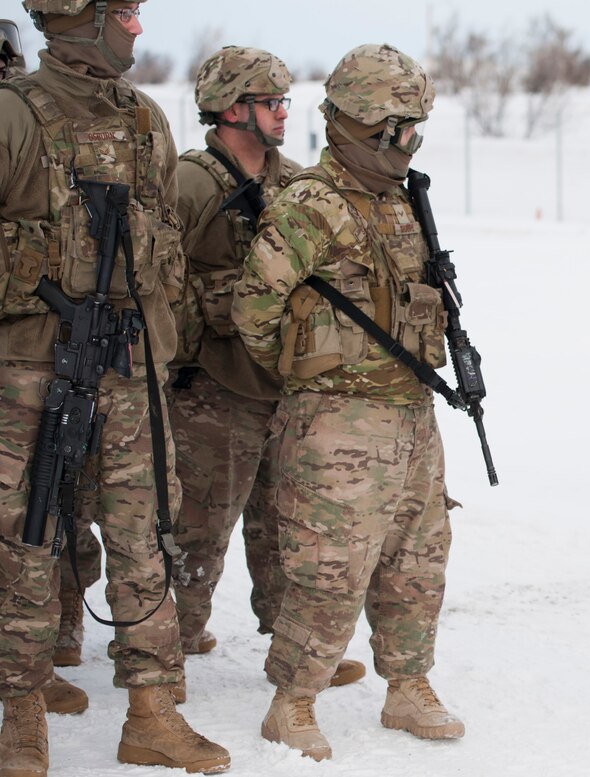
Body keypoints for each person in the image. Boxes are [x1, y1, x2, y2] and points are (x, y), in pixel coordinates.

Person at [0, 2, 229, 773]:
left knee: (148, 535)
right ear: (81, 20)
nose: (137, 28)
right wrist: (41, 268)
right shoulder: (13, 115)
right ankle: (23, 714)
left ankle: (153, 713)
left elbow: (164, 253)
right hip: (33, 369)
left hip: (131, 369)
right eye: (125, 13)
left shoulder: (145, 121)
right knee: (26, 541)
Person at [232, 43, 464, 761]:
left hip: (411, 413)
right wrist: (317, 380)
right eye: (400, 129)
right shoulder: (310, 204)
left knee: (417, 556)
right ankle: (293, 700)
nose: (409, 143)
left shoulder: (402, 202)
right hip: (336, 421)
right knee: (327, 567)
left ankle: (409, 683)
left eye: (414, 129)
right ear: (366, 127)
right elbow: (253, 312)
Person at [166, 44, 364, 688]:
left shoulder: (295, 179)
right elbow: (153, 278)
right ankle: (169, 644)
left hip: (283, 387)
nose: (283, 112)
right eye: (269, 102)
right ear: (230, 109)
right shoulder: (192, 181)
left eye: (284, 100)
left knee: (285, 527)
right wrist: (220, 299)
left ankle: (293, 648)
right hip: (213, 389)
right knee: (199, 523)